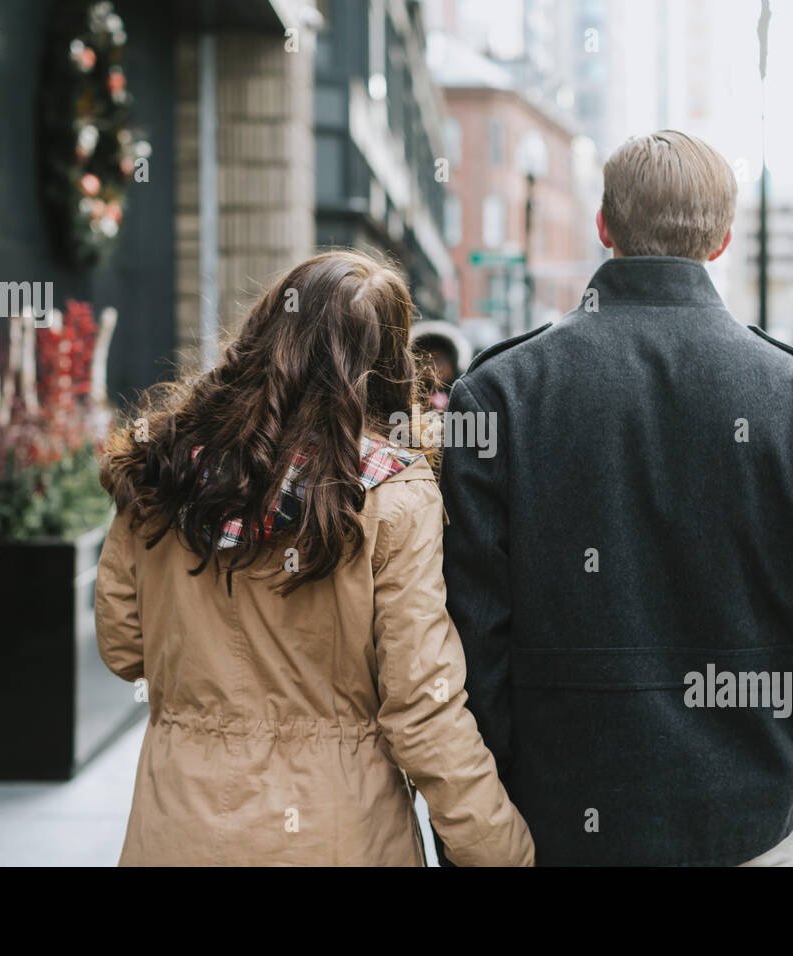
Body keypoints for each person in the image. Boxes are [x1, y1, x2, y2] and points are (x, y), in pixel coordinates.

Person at [438, 131, 793, 866]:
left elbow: (469, 631)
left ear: (603, 227)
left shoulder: (500, 393)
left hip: (558, 816)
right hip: (743, 816)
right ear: (721, 241)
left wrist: (512, 776)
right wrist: (787, 753)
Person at [95, 250, 534, 867]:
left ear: (263, 332)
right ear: (386, 364)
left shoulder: (163, 468)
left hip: (178, 827)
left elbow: (123, 647)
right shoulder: (390, 495)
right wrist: (502, 850)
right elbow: (423, 709)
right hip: (338, 832)